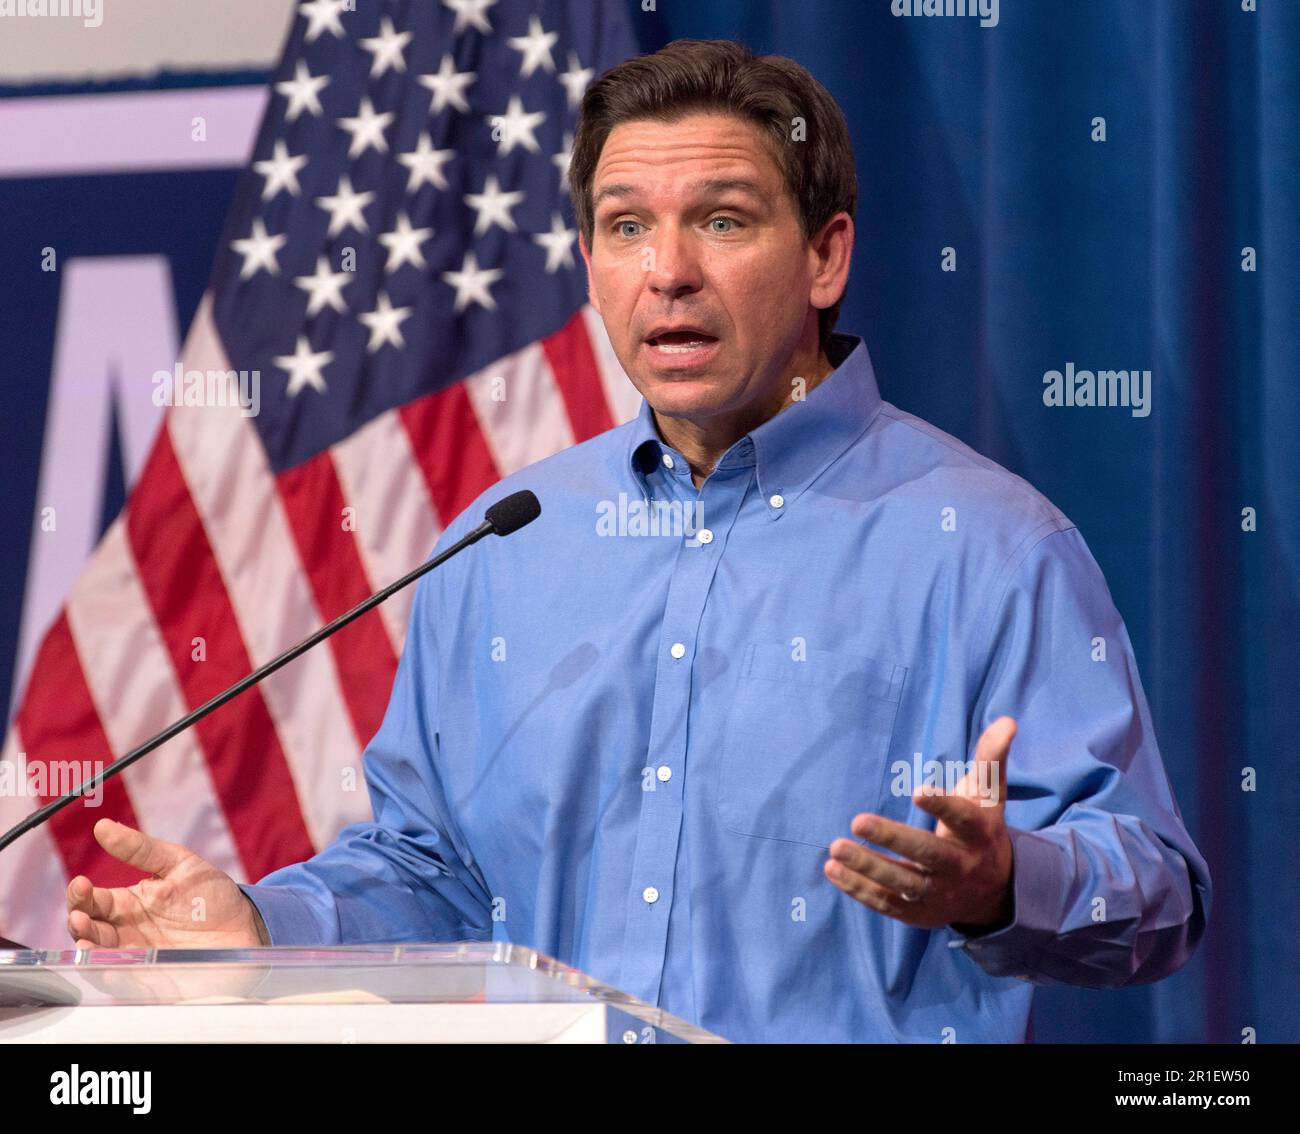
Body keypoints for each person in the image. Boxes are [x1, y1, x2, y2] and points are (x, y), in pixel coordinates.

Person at [66, 39, 1210, 1043]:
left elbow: (1156, 895)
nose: (667, 271)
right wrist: (262, 924)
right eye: (626, 227)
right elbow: (432, 871)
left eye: (722, 220)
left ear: (825, 257)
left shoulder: (989, 547)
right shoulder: (503, 546)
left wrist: (1002, 884)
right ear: (590, 264)